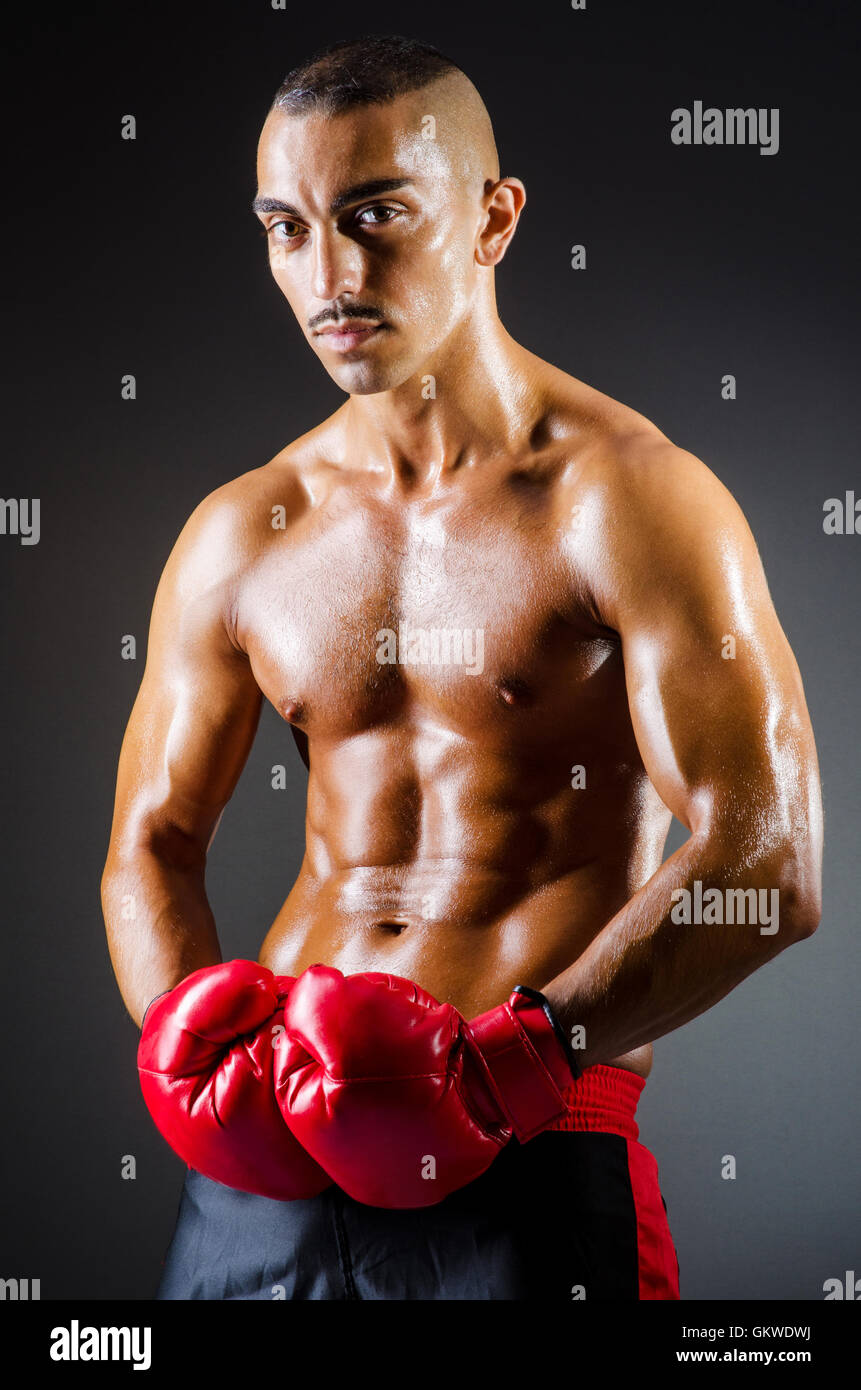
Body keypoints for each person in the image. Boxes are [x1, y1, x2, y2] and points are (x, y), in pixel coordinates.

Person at [101, 34, 822, 1301]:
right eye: (287, 227)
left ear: (493, 219)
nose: (329, 272)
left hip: (529, 1147)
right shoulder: (245, 530)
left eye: (376, 215)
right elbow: (151, 842)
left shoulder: (630, 501)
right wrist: (198, 1066)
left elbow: (768, 863)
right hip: (270, 1157)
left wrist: (515, 1065)